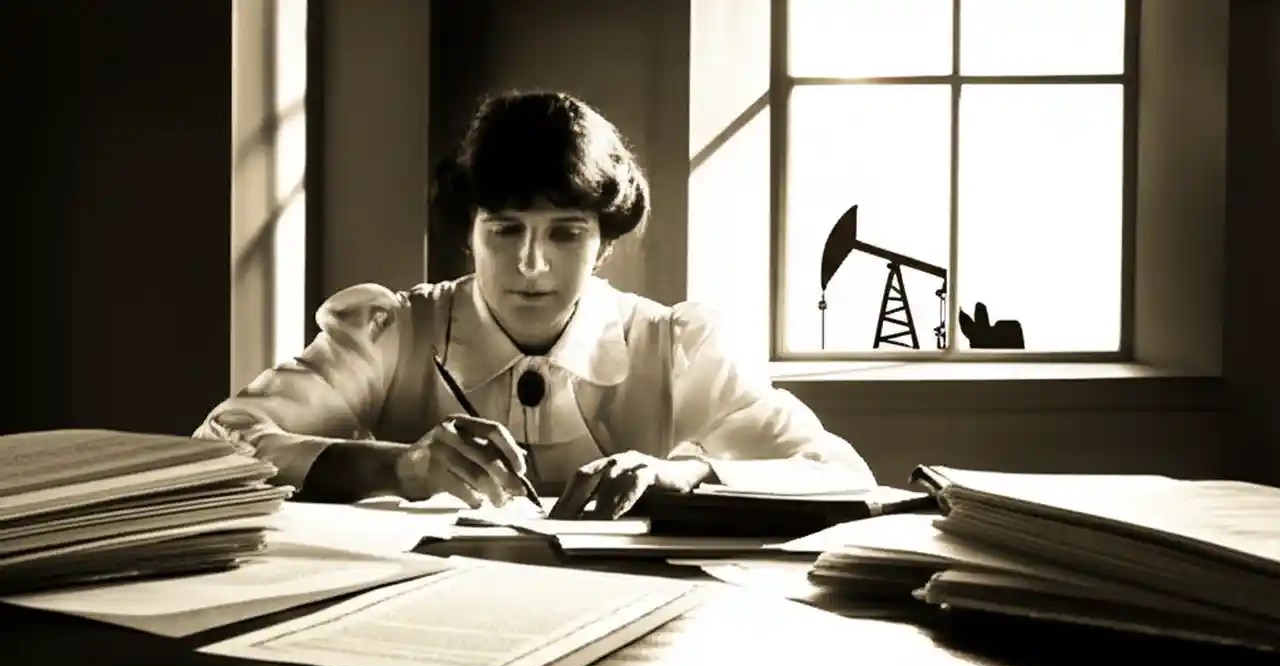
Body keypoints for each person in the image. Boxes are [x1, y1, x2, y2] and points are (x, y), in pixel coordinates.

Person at [194, 90, 877, 520]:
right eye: (505, 229)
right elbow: (220, 446)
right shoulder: (389, 330)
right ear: (470, 230)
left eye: (565, 233)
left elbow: (840, 474)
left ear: (605, 242)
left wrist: (683, 474)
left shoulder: (674, 346)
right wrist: (401, 467)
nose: (530, 264)